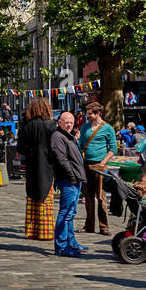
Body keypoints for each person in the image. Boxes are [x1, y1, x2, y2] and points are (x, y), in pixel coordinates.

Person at [49, 110, 87, 257]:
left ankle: (71, 242)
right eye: (66, 122)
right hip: (68, 179)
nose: (69, 124)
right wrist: (72, 176)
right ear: (60, 122)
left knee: (71, 213)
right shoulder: (58, 136)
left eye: (71, 122)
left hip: (76, 178)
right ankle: (61, 246)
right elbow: (61, 159)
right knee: (65, 213)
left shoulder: (69, 136)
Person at [18, 99, 57, 240]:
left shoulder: (26, 126)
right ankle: (46, 232)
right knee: (46, 198)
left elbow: (20, 148)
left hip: (32, 165)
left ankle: (32, 231)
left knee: (33, 197)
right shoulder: (51, 125)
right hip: (47, 165)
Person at [78, 101, 117, 236]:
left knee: (100, 197)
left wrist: (103, 162)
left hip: (100, 165)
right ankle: (89, 226)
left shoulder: (107, 128)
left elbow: (113, 148)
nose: (87, 116)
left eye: (90, 114)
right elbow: (80, 145)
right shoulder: (85, 127)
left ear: (98, 113)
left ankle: (104, 226)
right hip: (86, 164)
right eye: (87, 113)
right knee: (88, 198)